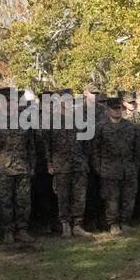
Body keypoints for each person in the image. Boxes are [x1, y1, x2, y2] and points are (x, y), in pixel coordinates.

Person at [0, 90, 37, 245]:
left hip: (22, 167)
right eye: (7, 100)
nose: (10, 104)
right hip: (2, 168)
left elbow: (31, 146)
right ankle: (8, 231)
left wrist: (32, 166)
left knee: (23, 201)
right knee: (5, 201)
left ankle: (22, 230)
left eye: (13, 100)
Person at [47, 89, 91, 237]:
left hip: (79, 164)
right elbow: (46, 145)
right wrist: (49, 164)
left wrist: (85, 161)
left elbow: (87, 144)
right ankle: (65, 224)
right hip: (61, 165)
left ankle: (77, 225)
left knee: (79, 196)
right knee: (63, 196)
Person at [92, 96, 138, 235]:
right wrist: (99, 168)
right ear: (108, 110)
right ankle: (113, 224)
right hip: (109, 170)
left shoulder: (130, 126)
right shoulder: (100, 127)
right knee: (112, 199)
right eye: (115, 108)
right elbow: (95, 150)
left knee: (128, 198)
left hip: (128, 169)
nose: (118, 111)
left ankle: (125, 222)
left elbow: (137, 149)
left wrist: (134, 167)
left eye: (120, 108)